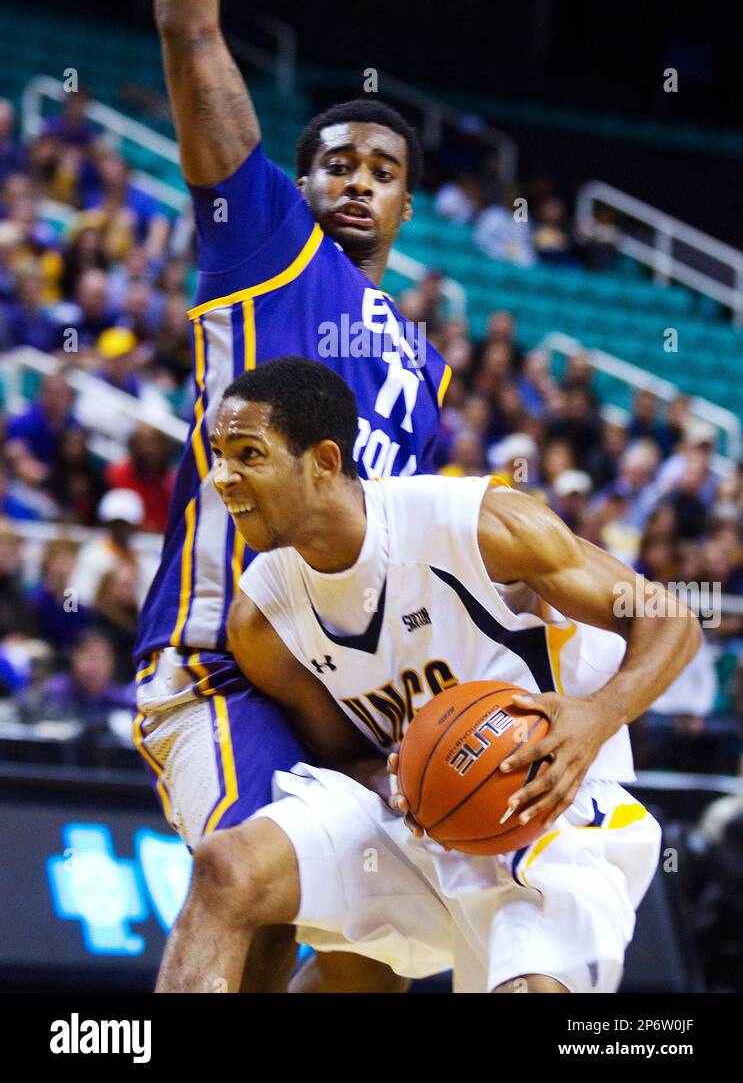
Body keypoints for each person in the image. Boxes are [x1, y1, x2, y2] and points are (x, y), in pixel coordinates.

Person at [133, 0, 450, 995]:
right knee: (237, 890)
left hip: (341, 681)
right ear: (295, 178)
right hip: (220, 656)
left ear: (410, 206)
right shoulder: (265, 240)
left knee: (307, 948)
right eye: (336, 163)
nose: (356, 183)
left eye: (383, 170)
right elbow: (191, 37)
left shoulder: (420, 363)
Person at [152, 357, 700, 994]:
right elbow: (347, 760)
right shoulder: (263, 619)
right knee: (228, 867)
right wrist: (393, 779)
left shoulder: (473, 523)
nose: (223, 478)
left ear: (325, 462)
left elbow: (669, 617)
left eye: (248, 454)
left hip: (553, 808)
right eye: (218, 455)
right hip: (422, 820)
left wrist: (599, 713)